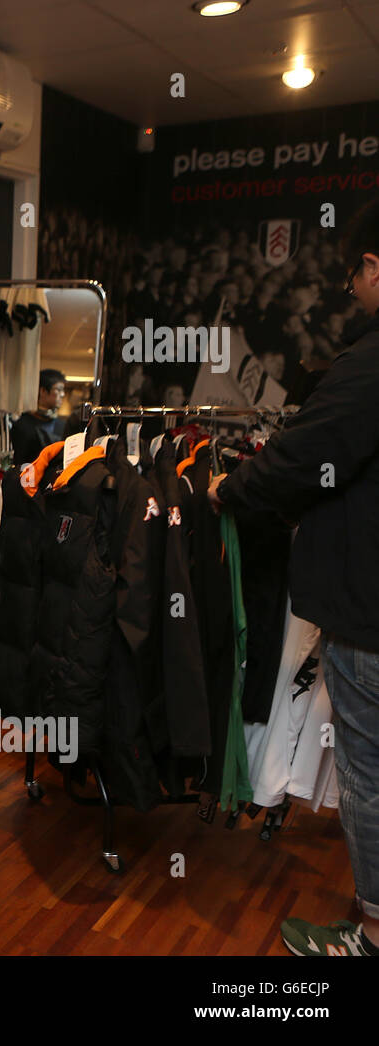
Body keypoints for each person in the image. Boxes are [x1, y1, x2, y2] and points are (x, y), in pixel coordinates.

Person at [209, 198, 379, 957]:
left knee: (370, 777)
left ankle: (371, 933)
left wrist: (228, 492)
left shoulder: (368, 367)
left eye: (355, 277)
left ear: (372, 269)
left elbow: (300, 458)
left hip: (370, 616)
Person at [10, 368, 67, 467]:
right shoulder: (23, 424)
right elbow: (20, 462)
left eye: (63, 390)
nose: (63, 394)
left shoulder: (62, 425)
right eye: (58, 389)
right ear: (43, 391)